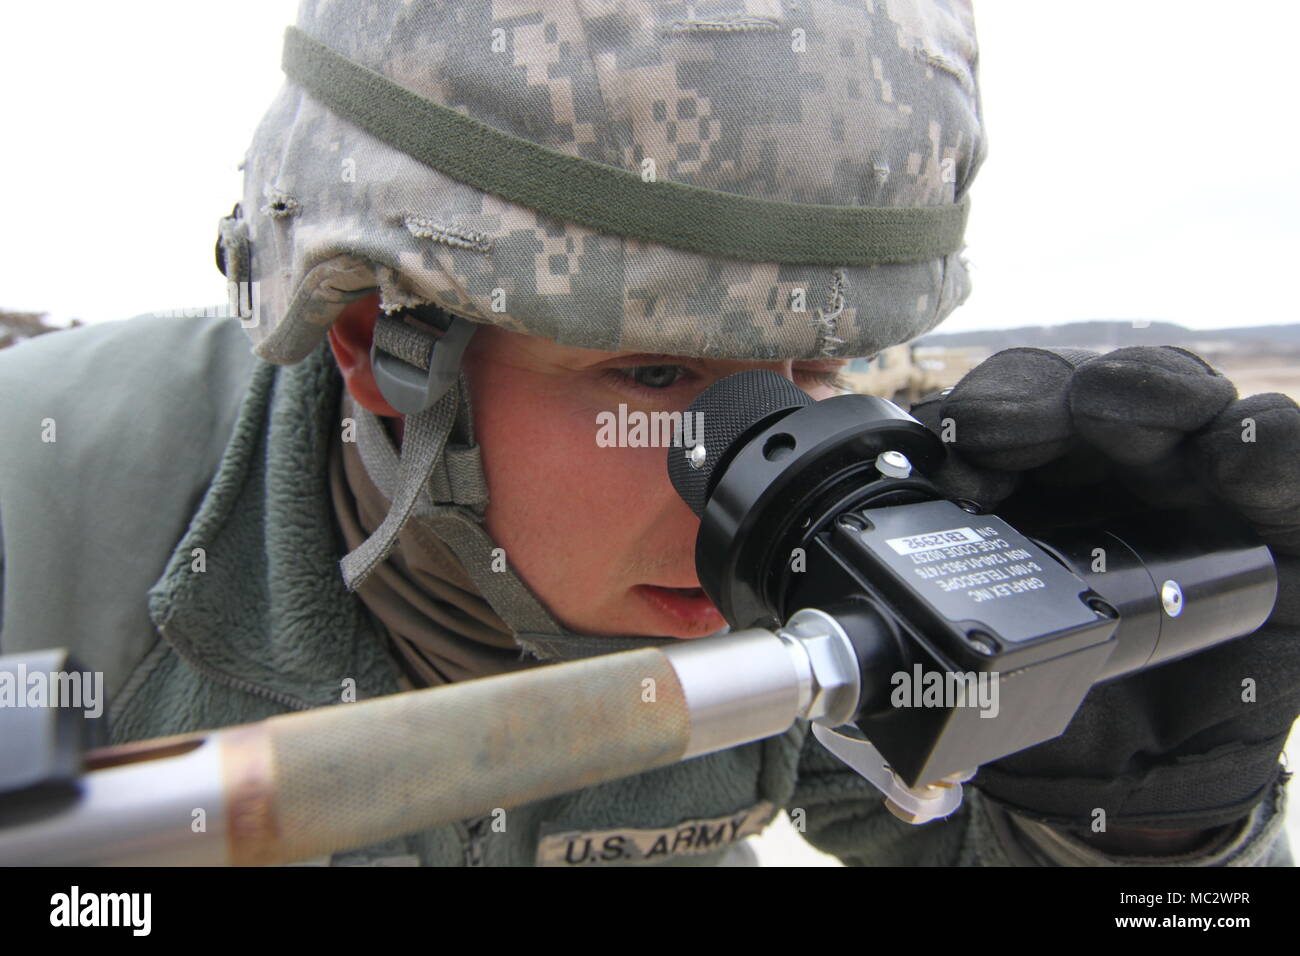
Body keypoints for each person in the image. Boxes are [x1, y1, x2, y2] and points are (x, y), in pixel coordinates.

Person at [0, 0, 1295, 867]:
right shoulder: (47, 524)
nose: (754, 470)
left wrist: (1148, 826)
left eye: (805, 368)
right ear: (381, 350)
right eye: (661, 371)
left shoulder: (790, 583)